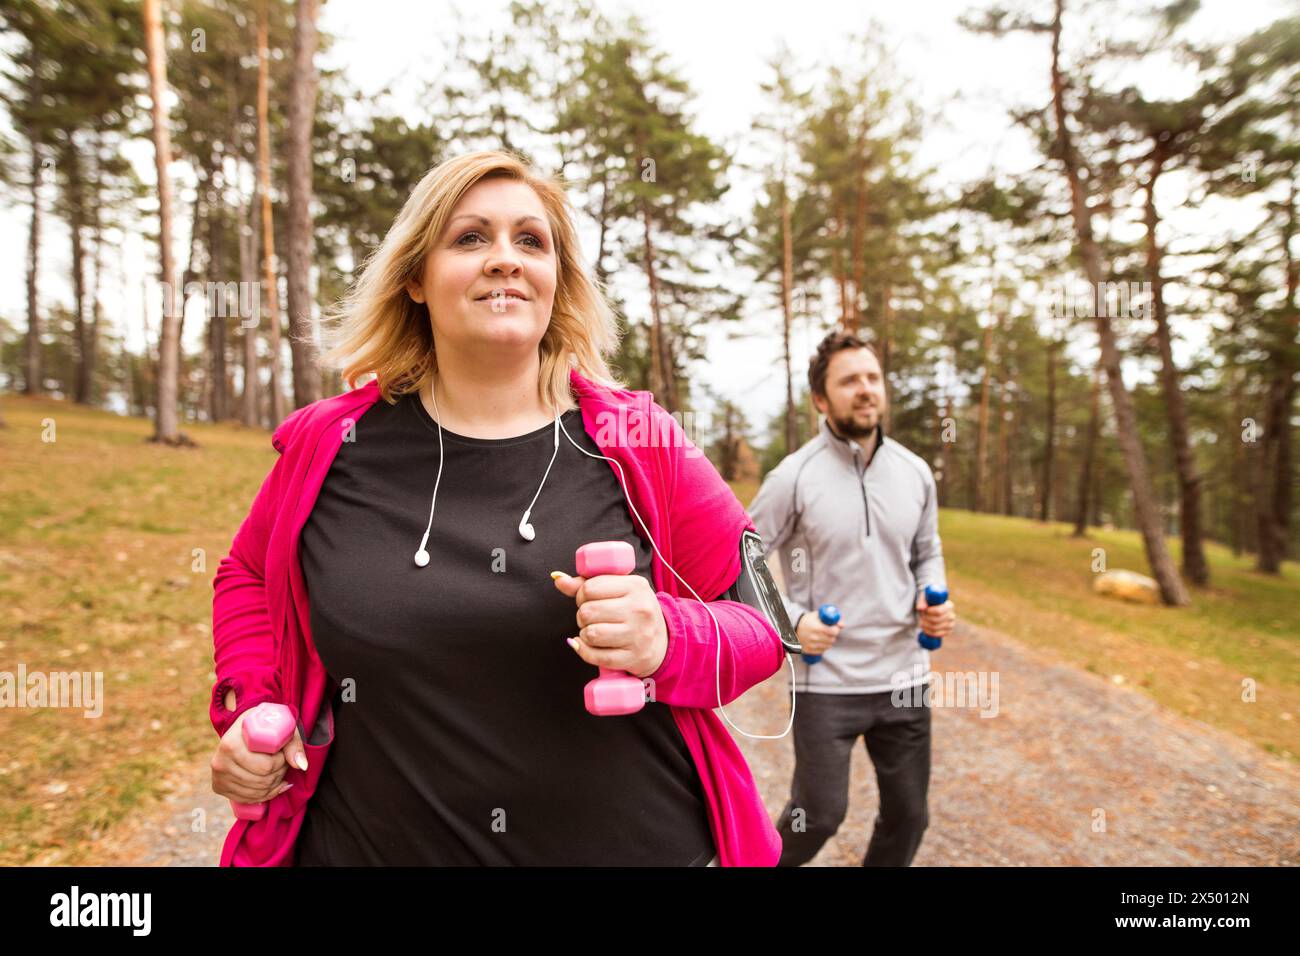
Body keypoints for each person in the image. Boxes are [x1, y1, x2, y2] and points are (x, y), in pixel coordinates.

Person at [207, 149, 794, 866]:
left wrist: (669, 636)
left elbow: (765, 627)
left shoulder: (639, 439)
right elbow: (243, 572)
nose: (505, 259)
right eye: (470, 238)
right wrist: (253, 706)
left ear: (556, 282)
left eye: (531, 241)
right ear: (415, 279)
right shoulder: (331, 446)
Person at [748, 331, 956, 867]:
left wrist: (937, 598)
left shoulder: (914, 472)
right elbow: (742, 562)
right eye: (849, 381)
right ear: (821, 399)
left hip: (904, 676)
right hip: (827, 681)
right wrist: (792, 621)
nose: (865, 390)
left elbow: (927, 551)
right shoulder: (793, 477)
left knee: (910, 816)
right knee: (816, 815)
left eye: (872, 378)